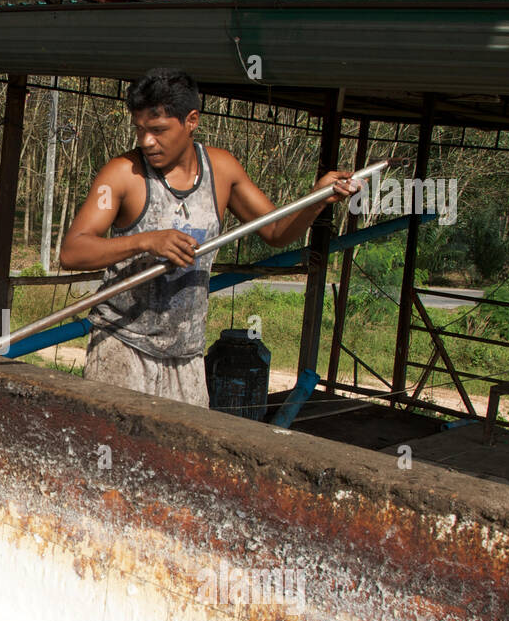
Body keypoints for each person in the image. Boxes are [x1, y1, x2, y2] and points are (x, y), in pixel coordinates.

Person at [59, 68, 358, 406]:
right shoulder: (123, 174)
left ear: (191, 120)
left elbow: (276, 231)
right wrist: (146, 240)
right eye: (140, 130)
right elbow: (73, 251)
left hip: (186, 354)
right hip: (123, 346)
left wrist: (316, 201)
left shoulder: (222, 170)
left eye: (158, 130)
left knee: (183, 453)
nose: (146, 141)